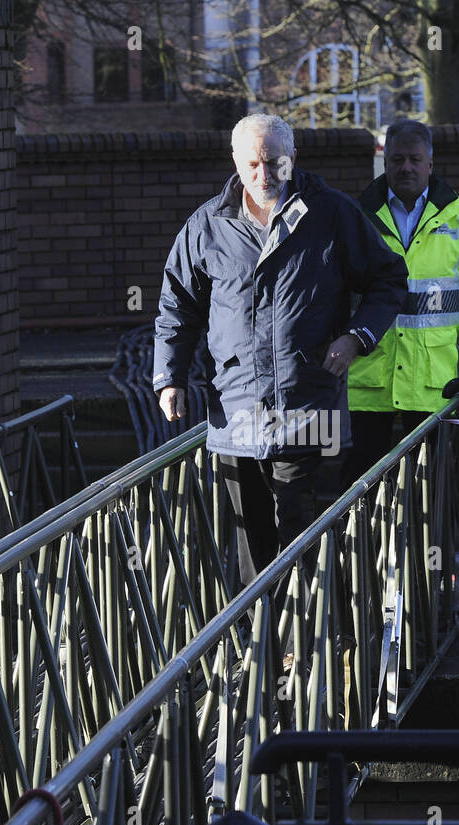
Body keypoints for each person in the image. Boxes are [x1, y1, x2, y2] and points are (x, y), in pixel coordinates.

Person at [153, 113, 407, 590]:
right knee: (251, 544)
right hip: (236, 408)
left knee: (306, 532)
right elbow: (178, 304)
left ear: (294, 159)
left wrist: (357, 337)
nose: (264, 176)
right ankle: (264, 648)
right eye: (253, 164)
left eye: (275, 163)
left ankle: (311, 646)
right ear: (235, 161)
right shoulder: (208, 224)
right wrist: (170, 376)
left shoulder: (332, 214)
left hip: (310, 402)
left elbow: (388, 279)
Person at [343, 119, 459, 487]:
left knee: (430, 489)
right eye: (397, 159)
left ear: (430, 164)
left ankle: (428, 549)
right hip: (369, 384)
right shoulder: (357, 218)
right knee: (360, 492)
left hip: (432, 385)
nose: (406, 168)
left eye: (415, 159)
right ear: (385, 163)